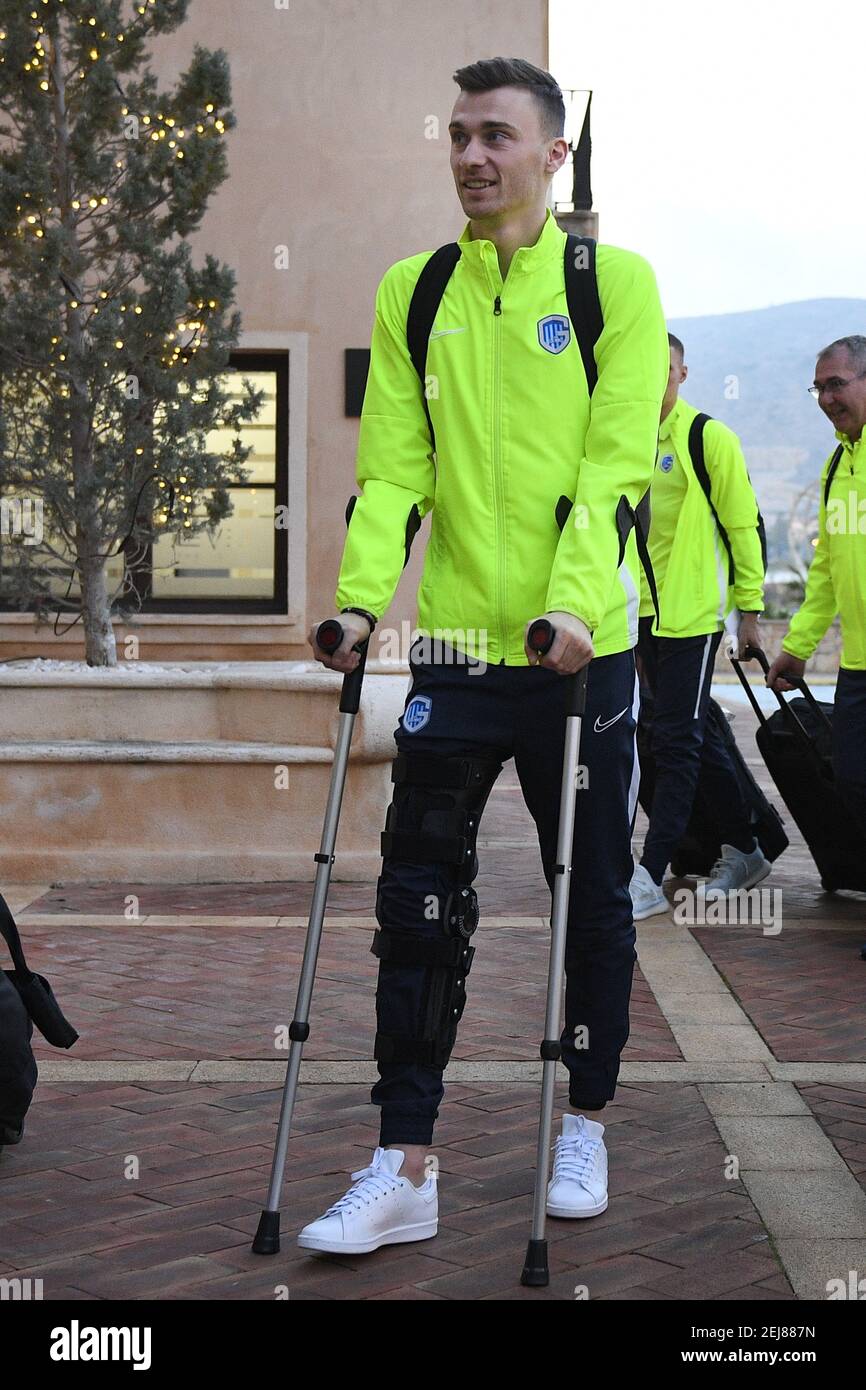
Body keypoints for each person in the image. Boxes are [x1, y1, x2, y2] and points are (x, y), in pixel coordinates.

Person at [300, 56, 668, 1256]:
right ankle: (405, 1158)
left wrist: (568, 610)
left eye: (495, 137)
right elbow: (396, 469)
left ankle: (588, 1116)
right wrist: (360, 604)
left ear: (550, 157)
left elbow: (612, 468)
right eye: (457, 135)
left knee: (591, 902)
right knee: (414, 898)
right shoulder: (415, 292)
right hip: (455, 646)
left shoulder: (613, 286)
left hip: (579, 654)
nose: (469, 155)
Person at [629, 334, 771, 920]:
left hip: (691, 618)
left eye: (664, 369)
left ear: (683, 372)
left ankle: (649, 872)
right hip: (635, 619)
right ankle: (743, 845)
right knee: (673, 735)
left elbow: (744, 526)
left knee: (676, 741)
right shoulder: (623, 439)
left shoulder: (707, 437)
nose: (654, 378)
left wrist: (751, 615)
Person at [767, 335, 866, 830]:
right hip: (858, 666)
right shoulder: (835, 468)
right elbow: (825, 569)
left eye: (836, 385)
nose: (827, 399)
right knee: (851, 779)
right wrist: (797, 646)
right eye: (818, 389)